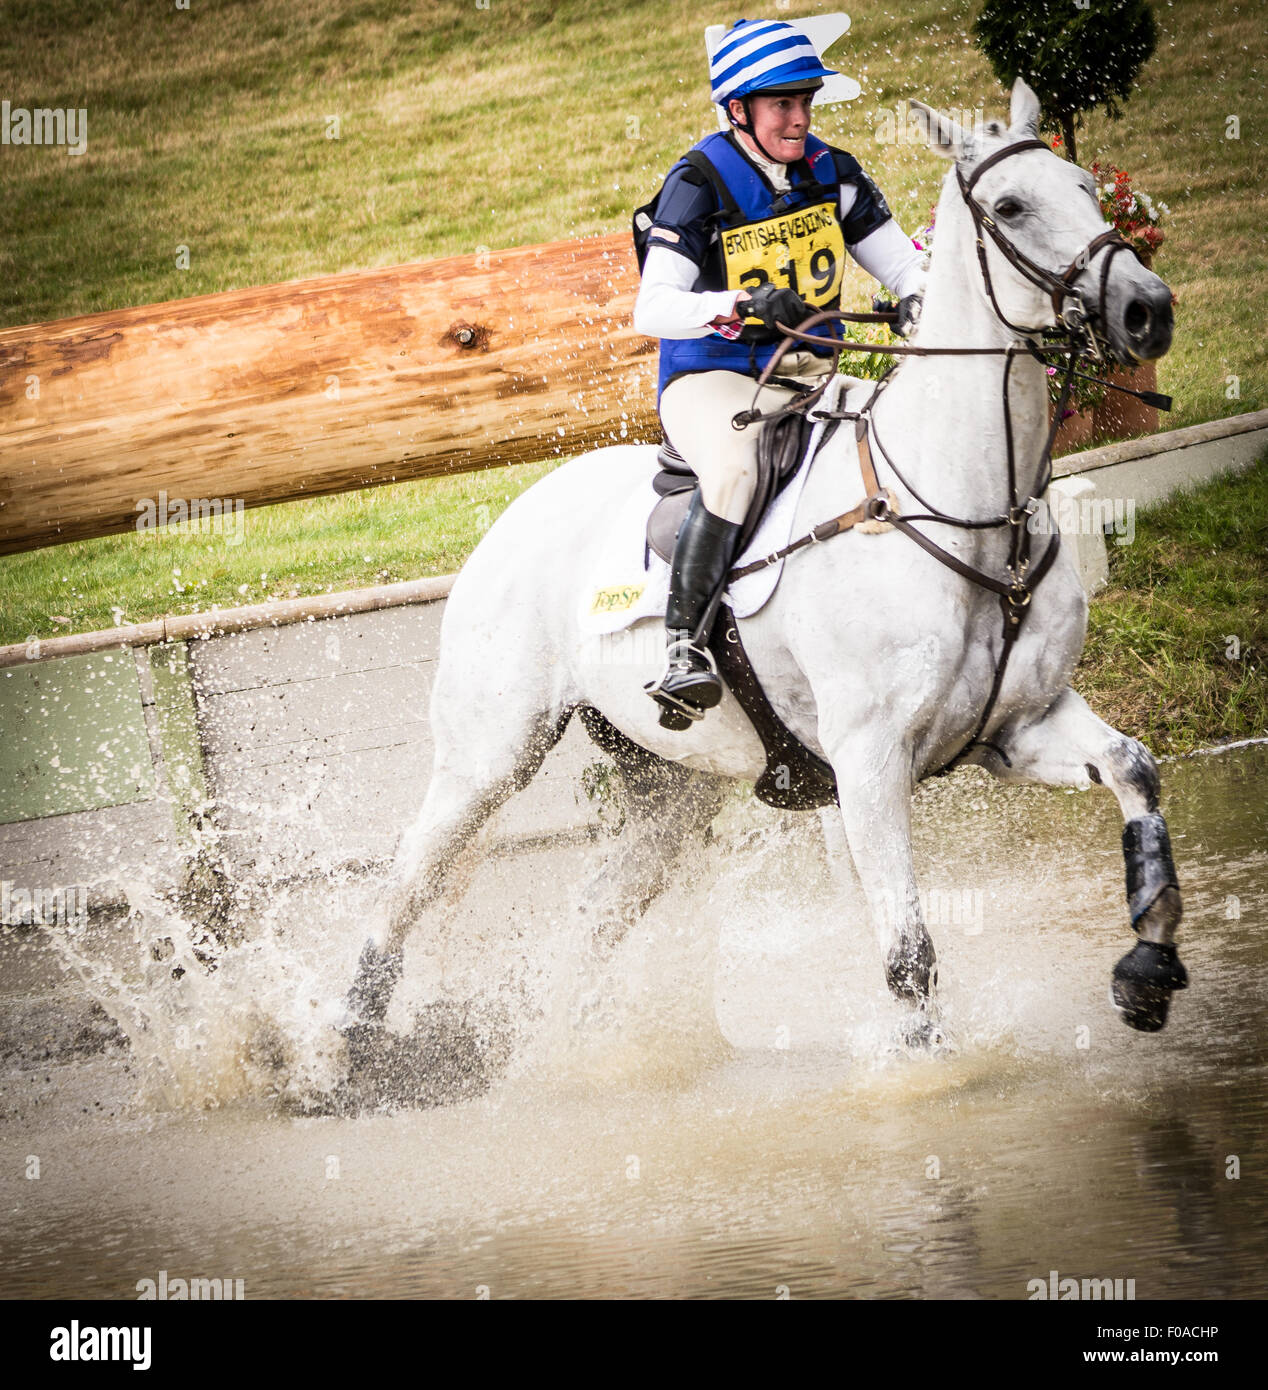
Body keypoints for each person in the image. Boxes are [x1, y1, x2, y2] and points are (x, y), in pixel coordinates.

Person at [633, 17, 927, 729]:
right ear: (739, 110)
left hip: (812, 376)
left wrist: (918, 298)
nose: (799, 119)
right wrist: (737, 303)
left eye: (805, 102)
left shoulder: (833, 172)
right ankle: (684, 647)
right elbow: (653, 308)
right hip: (715, 378)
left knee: (906, 437)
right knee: (737, 468)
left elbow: (903, 265)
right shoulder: (698, 183)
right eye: (782, 105)